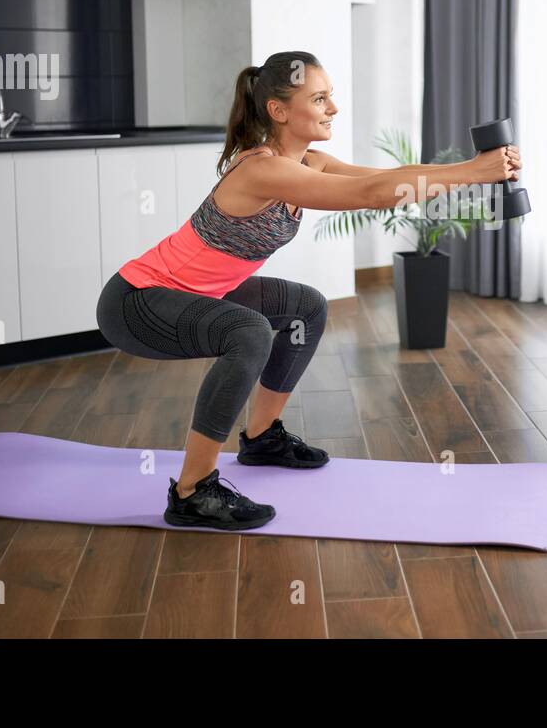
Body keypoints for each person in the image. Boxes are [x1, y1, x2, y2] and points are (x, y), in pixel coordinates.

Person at [95, 51, 521, 531]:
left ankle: (261, 439)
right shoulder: (261, 170)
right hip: (137, 302)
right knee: (250, 332)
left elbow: (384, 182)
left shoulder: (310, 162)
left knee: (305, 309)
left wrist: (475, 169)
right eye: (319, 98)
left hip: (203, 294)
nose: (332, 108)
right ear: (278, 111)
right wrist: (476, 171)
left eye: (330, 97)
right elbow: (368, 197)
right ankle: (192, 491)